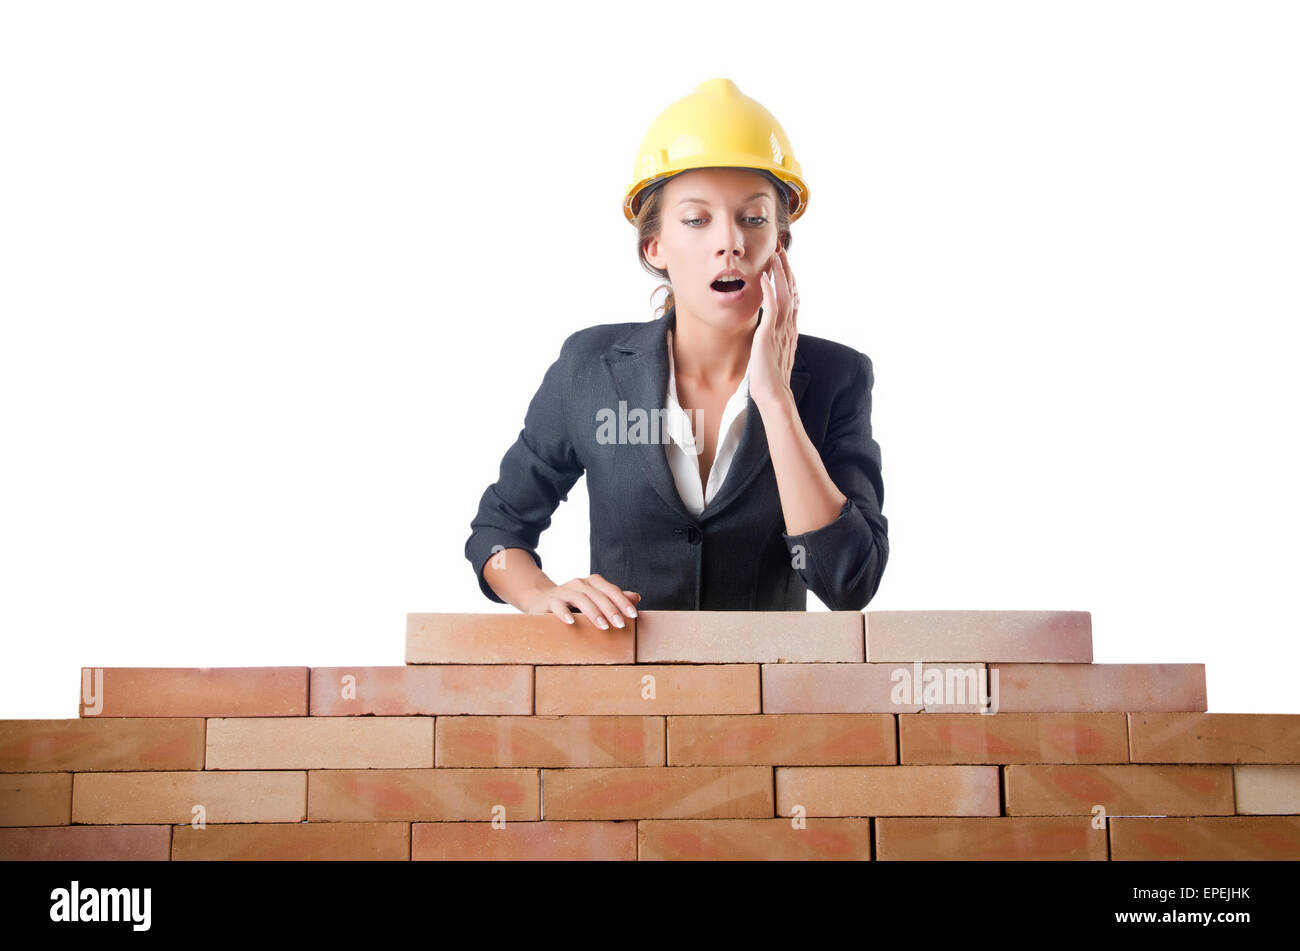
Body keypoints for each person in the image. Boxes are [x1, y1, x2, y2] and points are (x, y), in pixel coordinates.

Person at [464, 78, 888, 626]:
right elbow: (498, 529)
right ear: (655, 247)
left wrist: (777, 401)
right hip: (618, 695)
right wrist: (539, 594)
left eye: (754, 218)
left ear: (778, 244)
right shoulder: (589, 367)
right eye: (696, 219)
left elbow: (847, 583)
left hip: (772, 703)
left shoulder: (837, 378)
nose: (730, 241)